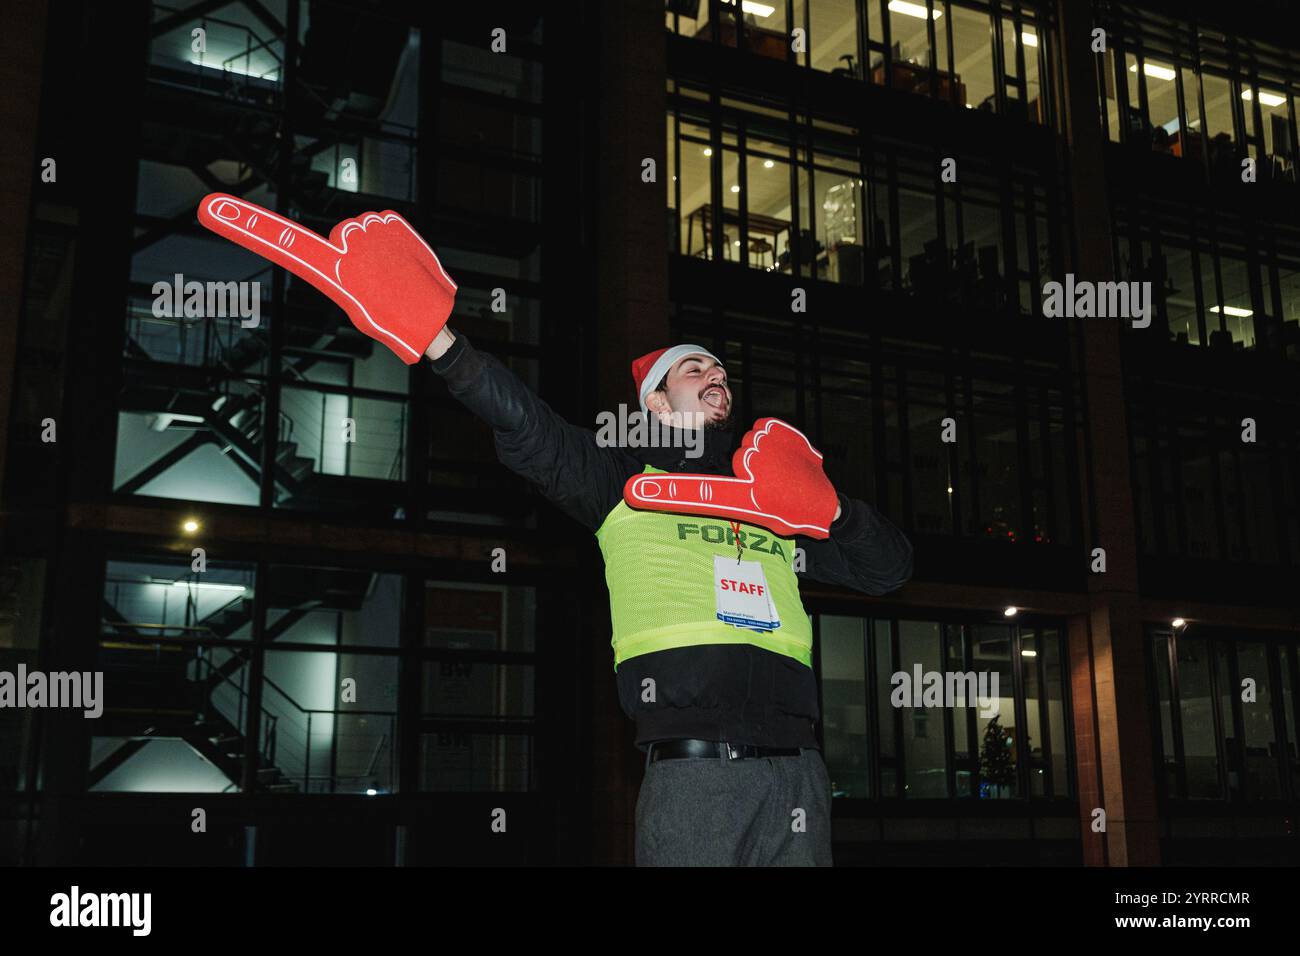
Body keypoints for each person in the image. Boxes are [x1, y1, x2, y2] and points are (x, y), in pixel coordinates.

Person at [196, 194, 914, 866]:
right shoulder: (619, 481)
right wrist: (444, 345)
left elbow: (890, 572)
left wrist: (835, 509)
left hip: (800, 777)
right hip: (698, 777)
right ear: (656, 401)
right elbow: (528, 428)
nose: (715, 373)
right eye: (694, 367)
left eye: (720, 368)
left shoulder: (773, 498)